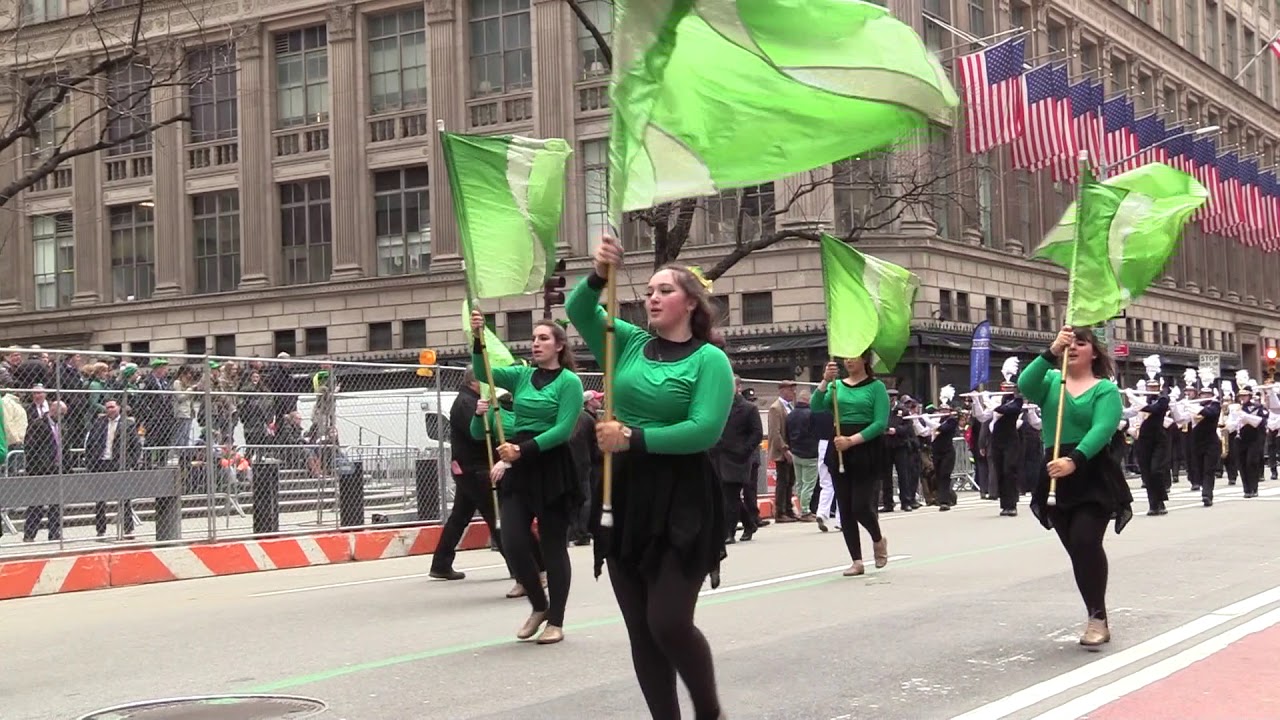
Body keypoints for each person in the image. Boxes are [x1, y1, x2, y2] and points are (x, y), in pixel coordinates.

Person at [567, 235, 733, 720]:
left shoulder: (710, 360)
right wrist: (599, 271)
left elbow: (703, 431)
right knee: (641, 629)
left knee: (669, 622)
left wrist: (634, 437)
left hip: (681, 497)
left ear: (689, 303)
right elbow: (579, 311)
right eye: (649, 290)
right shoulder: (630, 344)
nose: (652, 297)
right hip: (625, 491)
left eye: (665, 290)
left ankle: (709, 712)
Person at [470, 311, 584, 645]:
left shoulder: (569, 382)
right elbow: (482, 372)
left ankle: (557, 621)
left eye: (544, 338)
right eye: (534, 339)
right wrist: (478, 337)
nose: (536, 344)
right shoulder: (521, 377)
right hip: (519, 463)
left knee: (553, 548)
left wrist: (525, 449)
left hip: (551, 463)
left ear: (560, 346)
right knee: (513, 541)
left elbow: (564, 429)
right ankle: (539, 605)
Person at [1018, 326, 1131, 649]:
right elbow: (1025, 384)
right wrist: (1051, 351)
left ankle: (1097, 618)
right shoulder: (1053, 382)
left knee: (1085, 541)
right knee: (1077, 551)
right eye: (1070, 342)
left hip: (1091, 471)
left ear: (1094, 352)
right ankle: (1095, 609)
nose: (1074, 347)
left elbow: (1102, 429)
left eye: (1081, 343)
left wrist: (1075, 460)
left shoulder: (1104, 390)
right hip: (1054, 470)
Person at [811, 354, 891, 577]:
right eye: (845, 358)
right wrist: (825, 380)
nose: (848, 362)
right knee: (844, 507)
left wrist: (852, 441)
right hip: (838, 447)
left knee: (860, 506)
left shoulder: (876, 388)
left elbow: (880, 423)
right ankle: (856, 560)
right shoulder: (836, 386)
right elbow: (816, 406)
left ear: (865, 360)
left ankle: (877, 538)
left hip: (865, 448)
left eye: (854, 358)